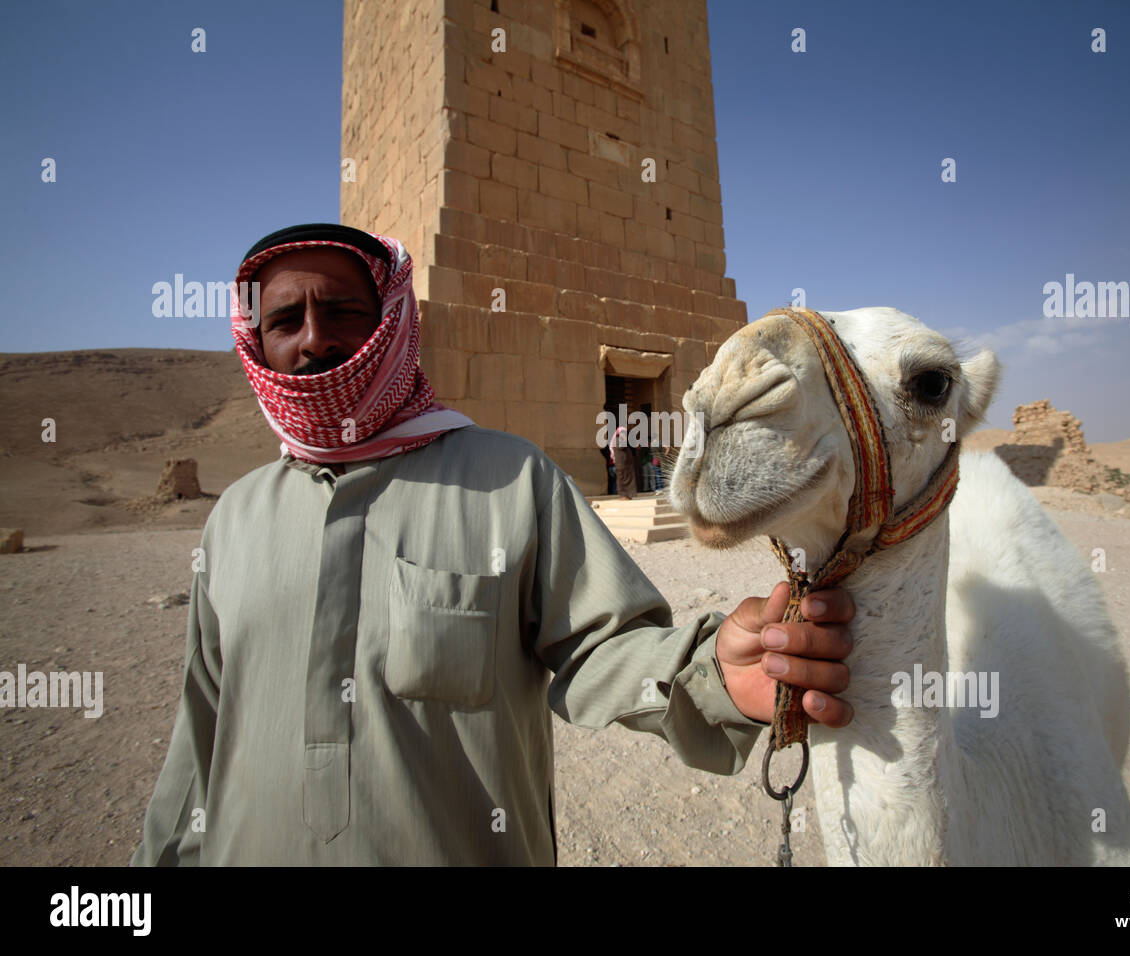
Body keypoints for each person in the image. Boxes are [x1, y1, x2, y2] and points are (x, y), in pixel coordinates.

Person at [130, 223, 855, 865]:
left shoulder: (510, 479)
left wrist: (719, 679)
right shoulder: (234, 519)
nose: (315, 337)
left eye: (343, 310)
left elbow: (599, 646)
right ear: (256, 342)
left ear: (389, 320)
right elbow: (202, 731)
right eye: (285, 319)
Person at [610, 424, 638, 499]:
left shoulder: (622, 440)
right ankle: (623, 495)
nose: (624, 434)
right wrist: (625, 439)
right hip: (621, 465)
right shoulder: (617, 440)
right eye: (622, 433)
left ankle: (629, 495)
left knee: (629, 480)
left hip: (627, 465)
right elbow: (621, 447)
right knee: (622, 480)